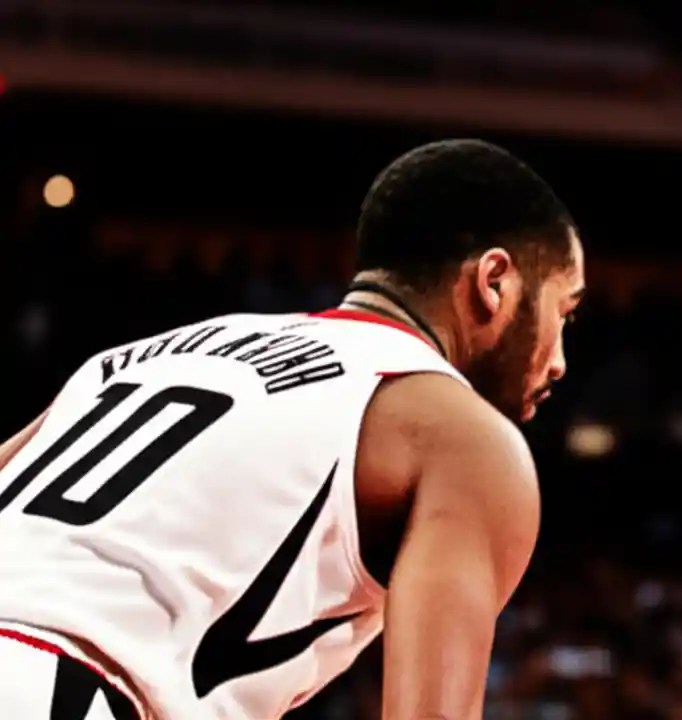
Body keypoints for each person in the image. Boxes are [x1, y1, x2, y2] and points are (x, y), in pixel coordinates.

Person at [0, 138, 586, 719]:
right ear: (494, 281)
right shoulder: (463, 436)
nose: (558, 358)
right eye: (563, 312)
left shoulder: (143, 356)